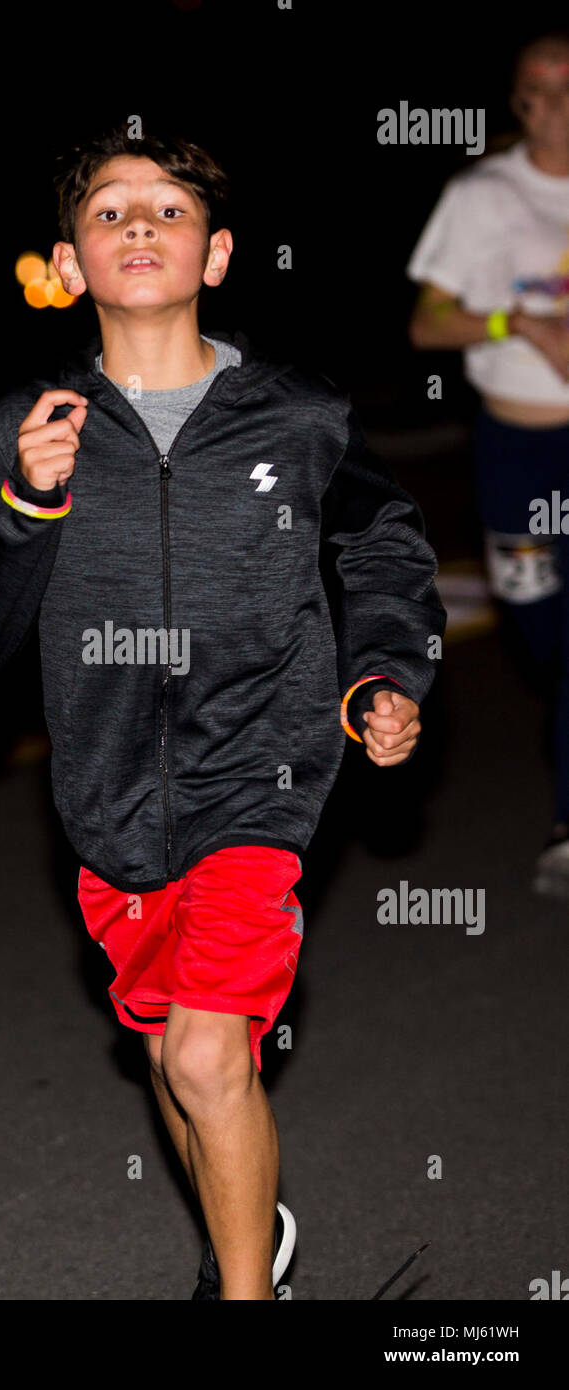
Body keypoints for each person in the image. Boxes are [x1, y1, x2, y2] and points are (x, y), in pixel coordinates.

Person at [0, 121, 446, 1300]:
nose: (139, 226)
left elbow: (379, 544)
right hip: (107, 794)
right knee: (170, 1054)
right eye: (108, 212)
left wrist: (380, 675)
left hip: (260, 773)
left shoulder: (298, 416)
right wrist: (23, 504)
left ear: (214, 258)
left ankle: (248, 1295)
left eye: (168, 209)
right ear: (67, 263)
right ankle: (252, 1229)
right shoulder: (30, 426)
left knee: (211, 1052)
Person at [406, 30, 569, 900]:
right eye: (540, 86)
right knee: (540, 634)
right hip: (520, 450)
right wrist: (520, 324)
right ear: (519, 103)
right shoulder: (483, 196)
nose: (558, 99)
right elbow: (429, 324)